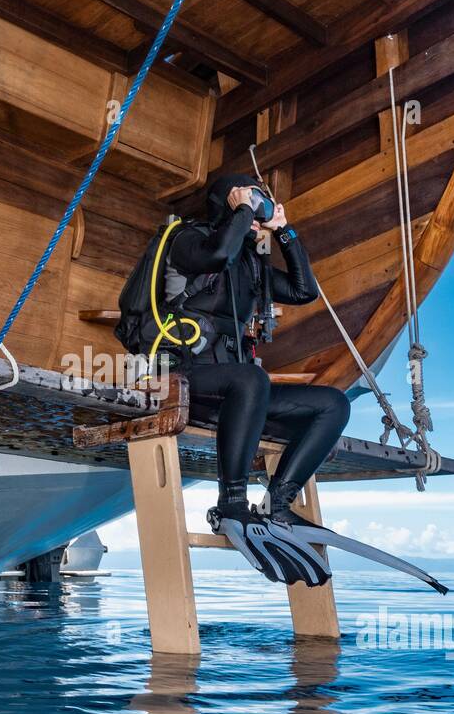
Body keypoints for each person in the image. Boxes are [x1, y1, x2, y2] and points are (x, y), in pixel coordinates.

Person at [150, 172, 352, 586]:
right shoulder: (187, 240)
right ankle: (231, 504)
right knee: (250, 380)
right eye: (252, 198)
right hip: (183, 378)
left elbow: (303, 291)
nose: (257, 207)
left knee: (332, 404)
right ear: (228, 201)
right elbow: (216, 254)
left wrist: (284, 232)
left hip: (238, 390)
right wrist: (241, 207)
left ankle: (277, 504)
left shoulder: (251, 267)